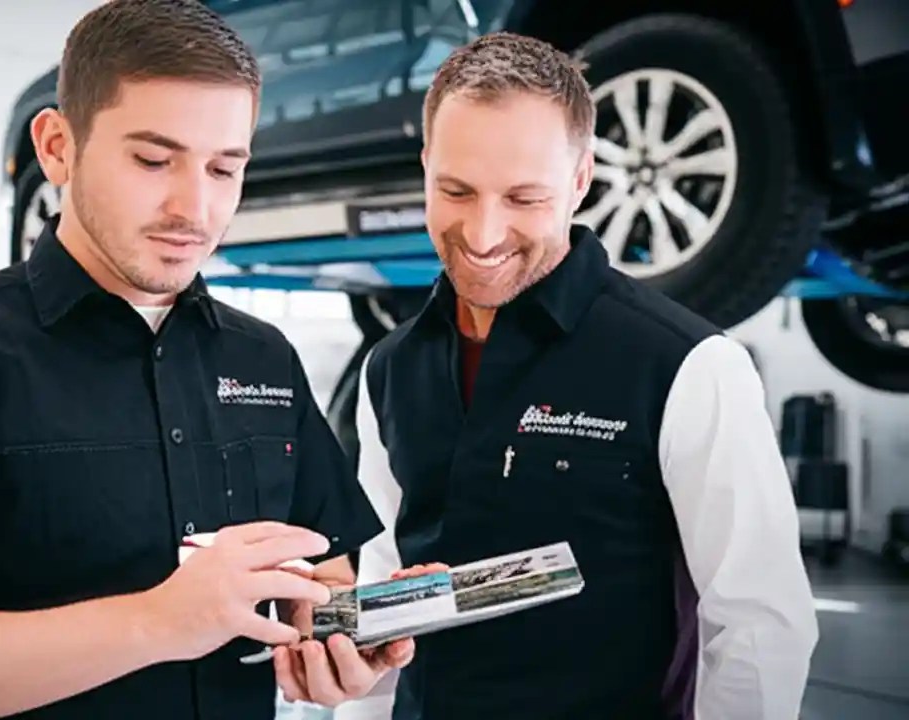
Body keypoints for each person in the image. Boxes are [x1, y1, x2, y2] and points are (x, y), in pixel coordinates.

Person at [0, 2, 409, 718]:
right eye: (154, 159)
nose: (196, 208)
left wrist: (349, 632)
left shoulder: (264, 357)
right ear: (58, 146)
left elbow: (322, 573)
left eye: (224, 168)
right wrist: (158, 621)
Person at [331, 32, 820, 720]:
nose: (482, 232)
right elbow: (383, 586)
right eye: (456, 190)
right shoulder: (391, 369)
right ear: (425, 167)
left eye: (523, 198)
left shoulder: (686, 366)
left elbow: (759, 627)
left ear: (582, 179)